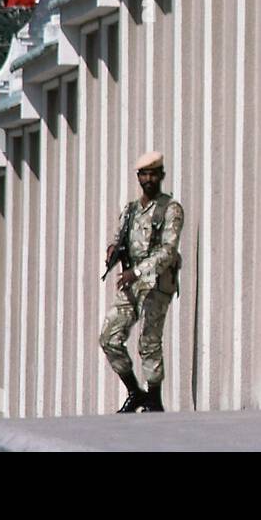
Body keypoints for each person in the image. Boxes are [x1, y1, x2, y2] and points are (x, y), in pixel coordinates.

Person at [98, 151, 184, 413]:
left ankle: (154, 399)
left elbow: (168, 251)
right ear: (138, 177)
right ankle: (135, 392)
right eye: (144, 174)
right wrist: (113, 250)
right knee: (109, 338)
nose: (148, 179)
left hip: (156, 284)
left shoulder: (170, 209)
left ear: (162, 176)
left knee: (149, 341)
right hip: (131, 286)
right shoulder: (131, 210)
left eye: (153, 174)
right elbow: (119, 237)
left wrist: (136, 272)